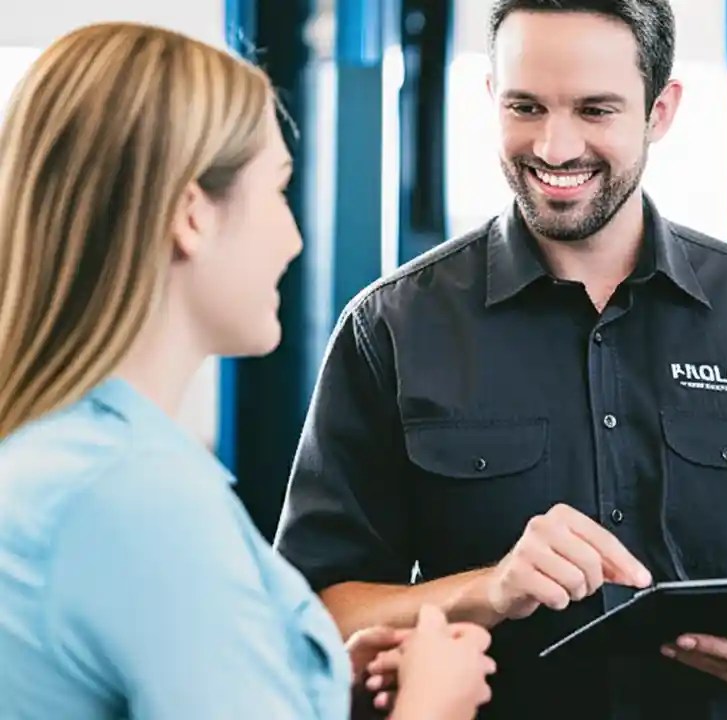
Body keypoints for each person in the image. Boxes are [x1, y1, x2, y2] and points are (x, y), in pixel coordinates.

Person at [274, 0, 727, 717]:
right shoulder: (391, 326)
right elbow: (318, 614)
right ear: (491, 99)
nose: (554, 146)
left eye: (596, 110)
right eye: (526, 107)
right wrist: (491, 589)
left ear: (659, 111)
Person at [0, 22, 493, 719]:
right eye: (279, 191)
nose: (293, 238)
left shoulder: (72, 456)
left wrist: (307, 686)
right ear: (192, 215)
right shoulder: (136, 498)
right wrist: (433, 703)